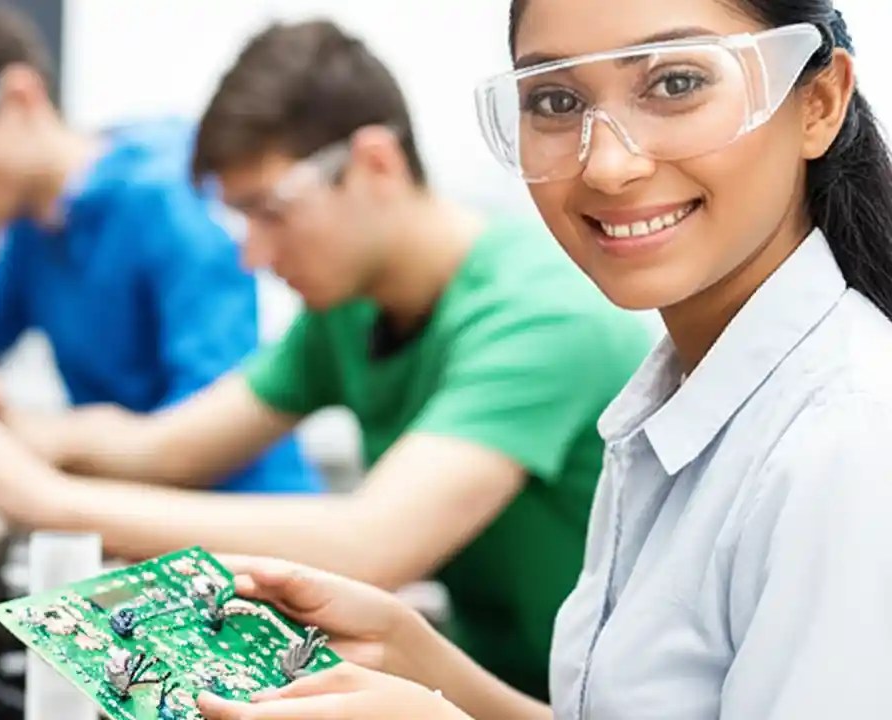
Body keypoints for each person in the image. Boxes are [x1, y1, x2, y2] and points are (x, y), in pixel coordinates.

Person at [0, 19, 653, 698]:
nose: (251, 252)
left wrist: (46, 499)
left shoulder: (539, 313)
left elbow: (371, 545)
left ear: (376, 164)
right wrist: (10, 432)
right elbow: (170, 447)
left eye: (270, 212)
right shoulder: (346, 310)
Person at [194, 1, 892, 719]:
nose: (608, 163)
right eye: (556, 101)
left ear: (818, 102)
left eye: (677, 83)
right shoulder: (674, 400)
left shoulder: (844, 444)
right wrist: (416, 659)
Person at [0, 0, 318, 495]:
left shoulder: (167, 201)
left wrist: (33, 441)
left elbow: (196, 443)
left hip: (238, 523)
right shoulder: (32, 227)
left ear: (20, 98)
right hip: (136, 512)